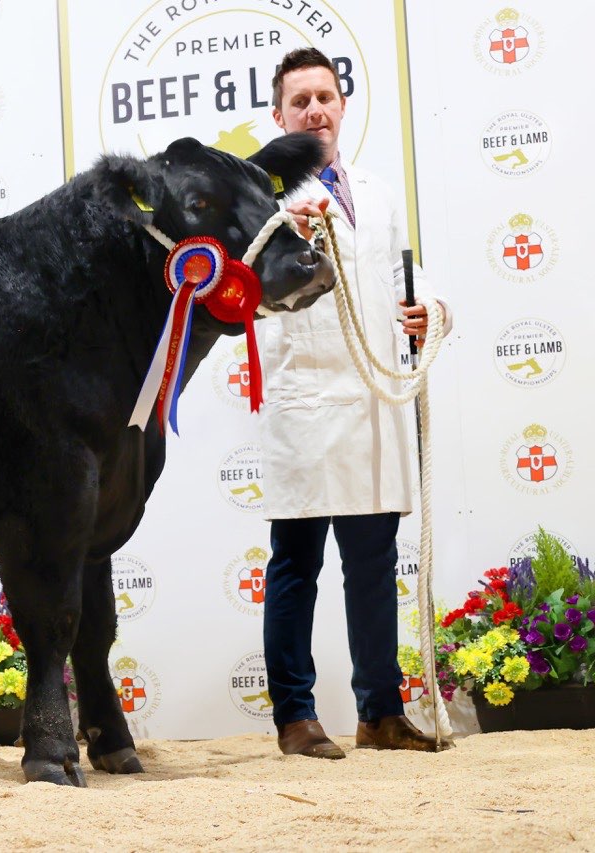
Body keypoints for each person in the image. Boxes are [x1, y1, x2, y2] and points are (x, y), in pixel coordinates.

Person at [259, 47, 452, 758]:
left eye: (325, 96)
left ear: (342, 106)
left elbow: (404, 266)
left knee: (373, 564)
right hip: (307, 399)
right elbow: (252, 296)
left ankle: (381, 711)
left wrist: (429, 307)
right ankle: (295, 717)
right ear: (279, 116)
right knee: (296, 564)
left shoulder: (374, 189)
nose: (315, 109)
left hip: (373, 397)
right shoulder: (264, 197)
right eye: (299, 100)